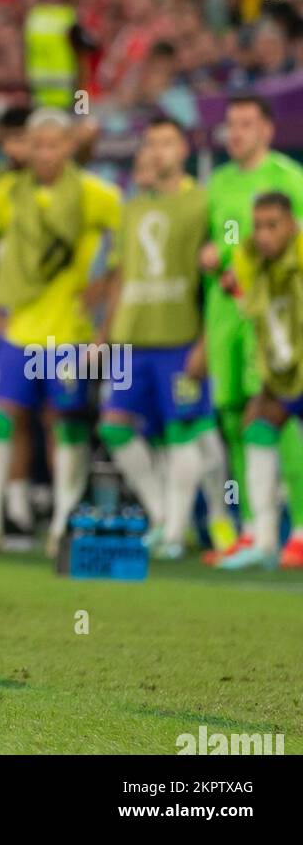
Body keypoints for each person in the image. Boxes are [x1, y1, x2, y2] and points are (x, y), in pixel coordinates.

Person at [0, 107, 121, 557]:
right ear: (26, 146)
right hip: (19, 328)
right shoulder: (7, 191)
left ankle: (64, 526)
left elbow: (125, 252)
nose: (45, 153)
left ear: (69, 147)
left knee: (63, 426)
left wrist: (104, 306)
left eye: (54, 144)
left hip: (67, 332)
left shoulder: (96, 194)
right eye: (37, 144)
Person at [98, 119, 231, 559]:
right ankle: (160, 514)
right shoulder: (131, 208)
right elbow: (120, 276)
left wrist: (207, 341)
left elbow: (215, 278)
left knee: (185, 433)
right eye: (150, 143)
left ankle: (178, 529)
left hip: (179, 338)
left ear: (185, 148)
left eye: (166, 143)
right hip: (131, 340)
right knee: (114, 427)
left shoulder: (202, 202)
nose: (156, 151)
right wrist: (104, 335)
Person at [201, 95, 303, 567]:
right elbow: (224, 246)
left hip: (283, 317)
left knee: (285, 423)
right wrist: (216, 257)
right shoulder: (218, 183)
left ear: (267, 128)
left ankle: (296, 529)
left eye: (246, 124)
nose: (236, 133)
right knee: (236, 418)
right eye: (231, 125)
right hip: (232, 317)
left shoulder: (288, 179)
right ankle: (251, 529)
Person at [223, 193, 303, 569]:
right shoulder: (251, 258)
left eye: (273, 225)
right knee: (255, 428)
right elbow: (248, 303)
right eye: (258, 226)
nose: (264, 235)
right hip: (282, 375)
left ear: (292, 224)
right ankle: (265, 539)